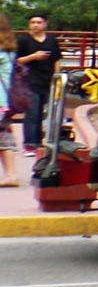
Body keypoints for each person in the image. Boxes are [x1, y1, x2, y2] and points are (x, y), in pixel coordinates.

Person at [14, 13, 61, 153]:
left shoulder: (51, 40)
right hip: (29, 80)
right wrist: (33, 57)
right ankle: (29, 143)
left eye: (38, 22)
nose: (35, 25)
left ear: (45, 24)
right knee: (32, 112)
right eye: (32, 22)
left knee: (45, 112)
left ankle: (39, 141)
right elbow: (17, 61)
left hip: (47, 80)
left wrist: (57, 76)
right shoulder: (23, 41)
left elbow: (57, 59)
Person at [0, 15, 18, 187]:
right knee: (4, 138)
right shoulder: (9, 50)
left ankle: (11, 174)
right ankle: (10, 174)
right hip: (3, 101)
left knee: (4, 138)